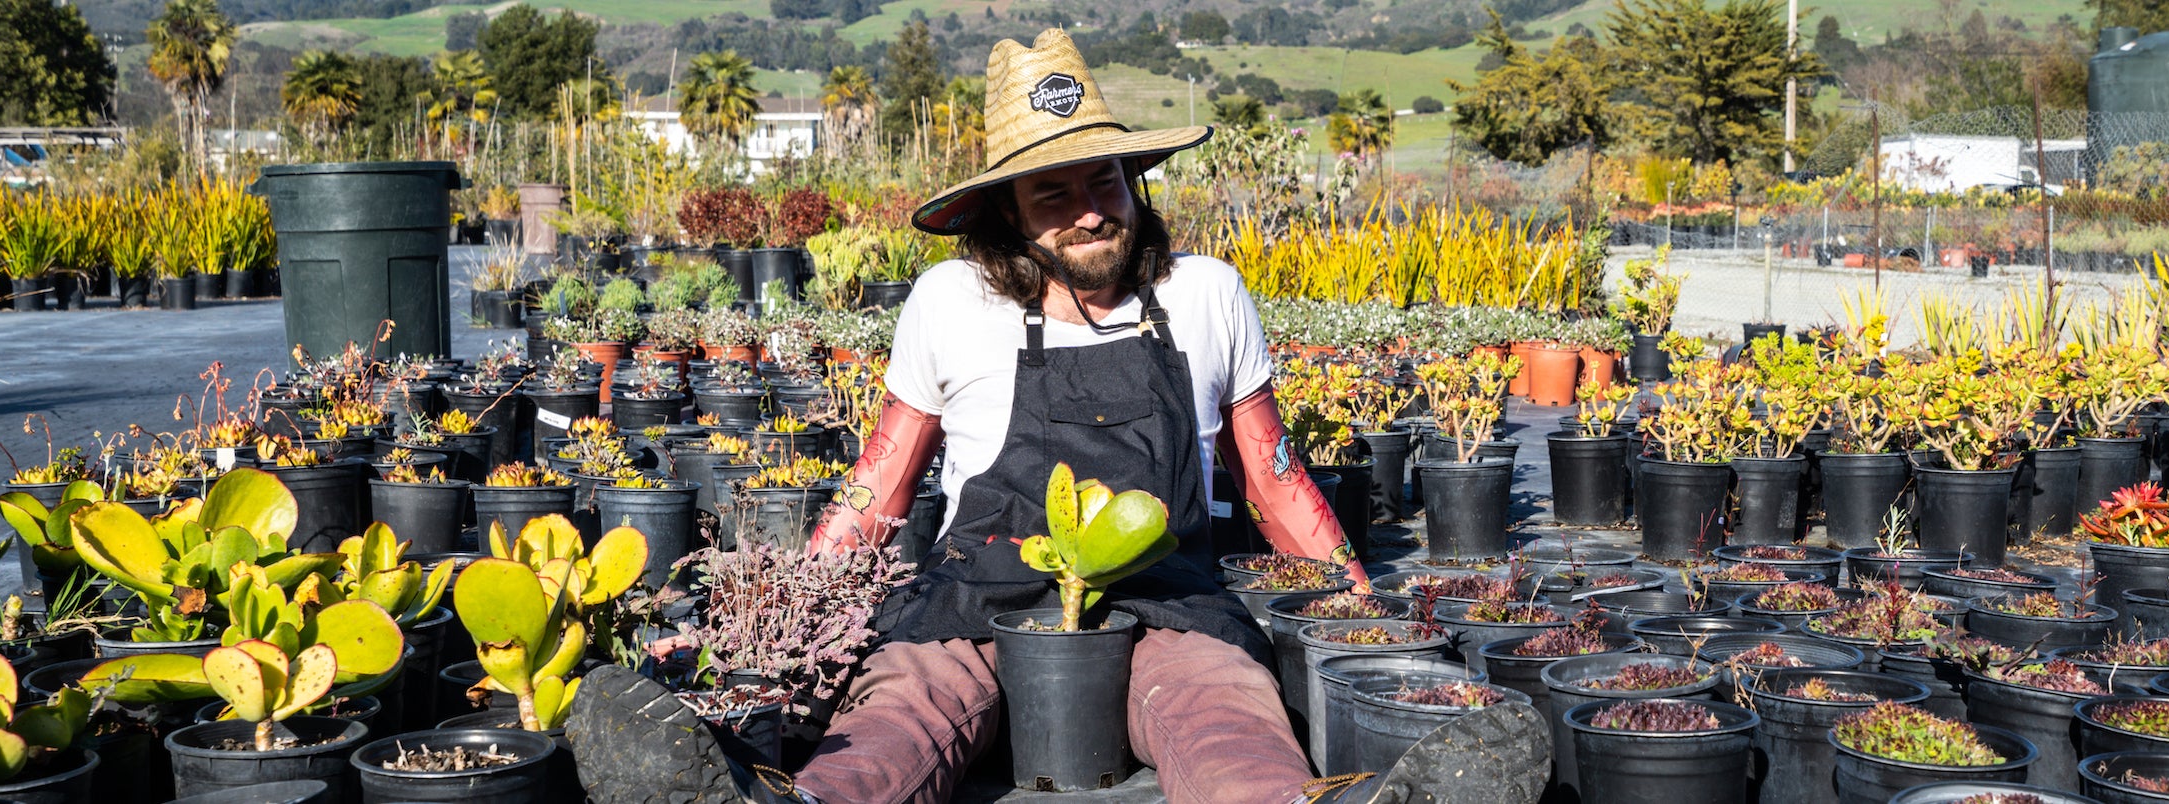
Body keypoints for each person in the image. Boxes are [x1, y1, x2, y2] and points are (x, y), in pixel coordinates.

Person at [569, 29, 1545, 804]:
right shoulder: (952, 303)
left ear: (1134, 181)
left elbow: (1275, 477)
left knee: (1226, 715)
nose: (1090, 211)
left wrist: (1371, 626)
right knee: (906, 710)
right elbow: (882, 482)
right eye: (1055, 192)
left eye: (1104, 181)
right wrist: (769, 636)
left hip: (1166, 597)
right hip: (978, 597)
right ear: (1006, 216)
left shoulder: (1205, 294)